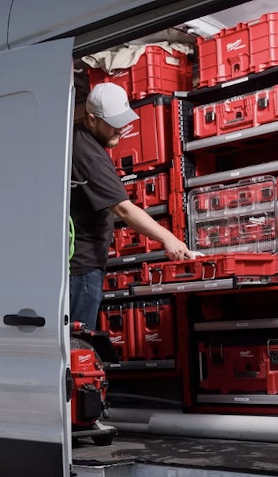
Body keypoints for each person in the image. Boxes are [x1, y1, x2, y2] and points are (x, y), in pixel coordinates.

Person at [70, 82, 198, 331]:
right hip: (82, 270)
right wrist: (169, 239)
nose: (121, 128)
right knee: (78, 349)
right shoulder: (89, 154)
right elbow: (124, 209)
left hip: (80, 265)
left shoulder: (79, 138)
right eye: (113, 123)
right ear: (92, 119)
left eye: (123, 120)